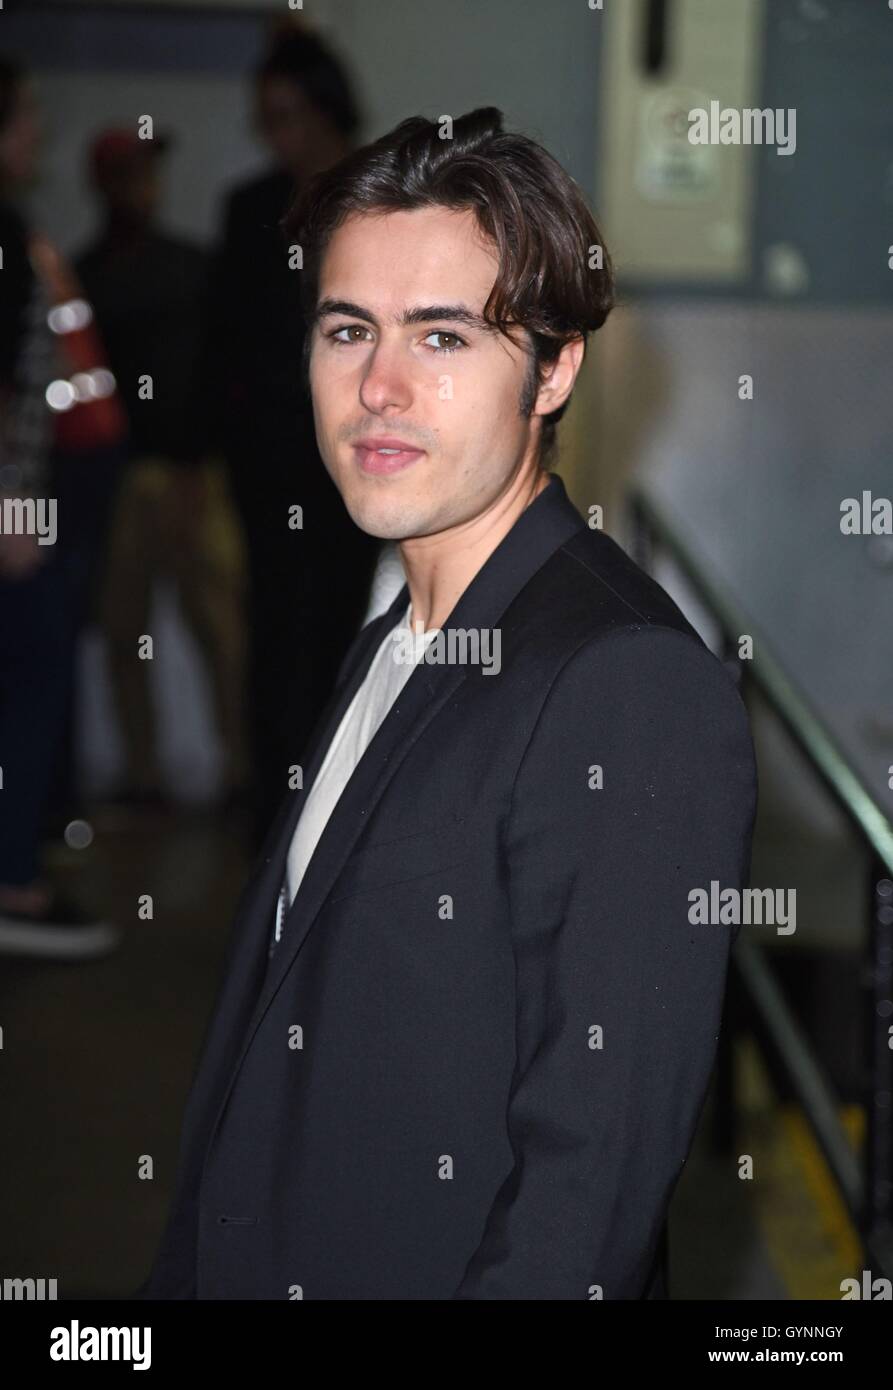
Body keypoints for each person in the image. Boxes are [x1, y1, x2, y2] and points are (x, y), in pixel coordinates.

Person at [139, 107, 758, 1300]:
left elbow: (587, 1194)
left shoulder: (624, 684)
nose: (377, 386)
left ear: (554, 365)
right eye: (346, 329)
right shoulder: (392, 635)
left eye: (441, 338)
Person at [205, 24, 380, 842]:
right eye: (265, 117)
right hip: (269, 462)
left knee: (340, 628)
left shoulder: (381, 194)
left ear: (323, 109)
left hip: (358, 457)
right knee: (274, 628)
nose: (276, 134)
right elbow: (226, 347)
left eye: (287, 114)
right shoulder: (249, 209)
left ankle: (330, 811)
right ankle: (272, 820)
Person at [76, 128, 249, 811]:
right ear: (104, 183)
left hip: (194, 474)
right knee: (124, 630)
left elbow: (217, 374)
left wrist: (200, 457)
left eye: (147, 173)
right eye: (126, 174)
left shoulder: (191, 267)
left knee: (223, 627)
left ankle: (241, 769)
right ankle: (143, 773)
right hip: (122, 476)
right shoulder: (87, 276)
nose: (141, 186)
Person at [0, 55, 123, 957]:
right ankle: (16, 887)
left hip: (28, 504)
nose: (37, 132)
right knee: (29, 686)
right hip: (17, 512)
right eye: (26, 116)